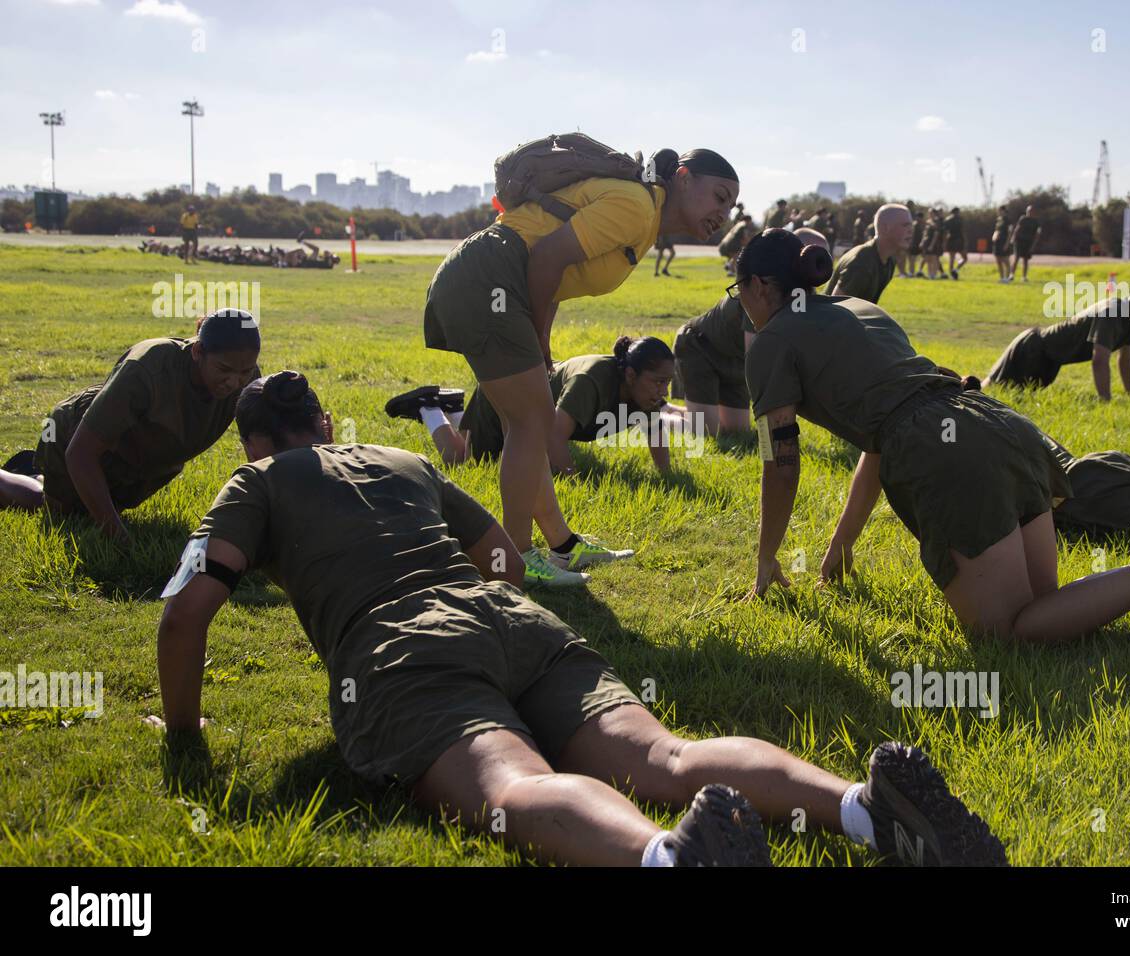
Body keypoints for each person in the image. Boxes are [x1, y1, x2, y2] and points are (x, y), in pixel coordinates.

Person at [150, 369, 1009, 867]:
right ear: (327, 423)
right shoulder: (401, 458)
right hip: (510, 620)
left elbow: (187, 614)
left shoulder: (255, 484)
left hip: (405, 653)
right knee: (667, 754)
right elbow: (504, 557)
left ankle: (666, 860)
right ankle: (866, 806)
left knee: (509, 786)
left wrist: (183, 732)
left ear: (253, 443)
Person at [736, 229, 1130, 643]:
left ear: (760, 285)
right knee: (1047, 610)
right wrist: (841, 545)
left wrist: (766, 560)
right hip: (997, 423)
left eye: (740, 290)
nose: (741, 302)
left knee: (1008, 633)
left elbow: (781, 460)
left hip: (943, 454)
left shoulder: (769, 342)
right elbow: (878, 440)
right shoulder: (861, 307)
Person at [421, 147, 739, 585]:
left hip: (491, 276)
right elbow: (546, 258)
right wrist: (533, 337)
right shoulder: (636, 206)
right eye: (720, 197)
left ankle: (562, 547)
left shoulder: (644, 219)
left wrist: (541, 342)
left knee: (526, 422)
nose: (724, 213)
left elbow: (554, 276)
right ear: (682, 178)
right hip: (490, 275)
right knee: (531, 422)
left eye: (732, 205)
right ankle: (516, 558)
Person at [0, 309, 261, 541]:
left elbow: (261, 453)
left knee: (97, 508)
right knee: (58, 510)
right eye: (224, 369)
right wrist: (117, 536)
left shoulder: (247, 379)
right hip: (75, 435)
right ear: (197, 352)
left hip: (139, 457)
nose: (234, 382)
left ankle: (31, 471)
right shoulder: (148, 366)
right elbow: (80, 453)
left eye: (244, 372)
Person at [390, 336, 681, 486]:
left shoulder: (646, 396)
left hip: (530, 413)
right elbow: (554, 437)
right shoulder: (592, 381)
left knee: (496, 448)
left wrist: (666, 475)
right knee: (461, 459)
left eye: (667, 383)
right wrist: (573, 481)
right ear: (630, 375)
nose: (663, 391)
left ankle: (453, 408)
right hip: (505, 399)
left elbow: (655, 431)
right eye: (658, 382)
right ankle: (428, 406)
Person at [673, 229, 830, 436]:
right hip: (701, 347)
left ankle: (687, 411)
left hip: (734, 360)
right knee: (704, 430)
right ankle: (655, 413)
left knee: (736, 431)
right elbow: (756, 355)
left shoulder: (799, 295)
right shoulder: (763, 293)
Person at [983, 272, 1130, 398]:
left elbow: (1126, 359)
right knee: (985, 393)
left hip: (1050, 361)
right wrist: (1106, 402)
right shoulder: (1113, 312)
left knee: (1007, 399)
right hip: (1031, 351)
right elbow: (1099, 361)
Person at [825, 203, 912, 304]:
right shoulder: (862, 261)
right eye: (905, 225)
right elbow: (837, 307)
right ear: (885, 227)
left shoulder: (889, 260)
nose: (911, 230)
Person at [1008, 205, 1041, 282]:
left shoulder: (1036, 222)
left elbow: (1037, 234)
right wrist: (1013, 238)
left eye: (1031, 211)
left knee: (1025, 260)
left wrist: (1033, 245)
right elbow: (1017, 228)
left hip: (1028, 242)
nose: (1030, 213)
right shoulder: (1023, 219)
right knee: (1016, 258)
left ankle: (1024, 277)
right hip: (1019, 241)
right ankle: (1011, 275)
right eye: (1028, 211)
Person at [943, 207, 967, 279]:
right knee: (964, 258)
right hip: (959, 240)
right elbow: (962, 231)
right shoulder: (960, 219)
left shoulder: (947, 220)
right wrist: (965, 241)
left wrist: (944, 242)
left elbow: (945, 232)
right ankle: (956, 269)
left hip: (951, 240)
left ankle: (952, 272)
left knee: (952, 258)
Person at [991, 205, 1013, 283]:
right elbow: (996, 230)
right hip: (997, 242)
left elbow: (1010, 232)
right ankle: (1002, 278)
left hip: (1004, 242)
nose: (998, 212)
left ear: (1004, 211)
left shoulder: (1008, 220)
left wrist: (1007, 244)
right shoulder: (998, 220)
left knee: (1006, 261)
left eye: (1000, 210)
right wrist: (994, 236)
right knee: (998, 260)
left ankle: (1007, 278)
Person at [904, 208, 925, 278]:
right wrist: (909, 243)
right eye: (919, 217)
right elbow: (911, 235)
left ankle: (917, 271)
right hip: (913, 244)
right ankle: (911, 273)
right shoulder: (914, 225)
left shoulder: (922, 225)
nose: (920, 219)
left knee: (923, 258)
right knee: (911, 259)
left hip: (919, 245)